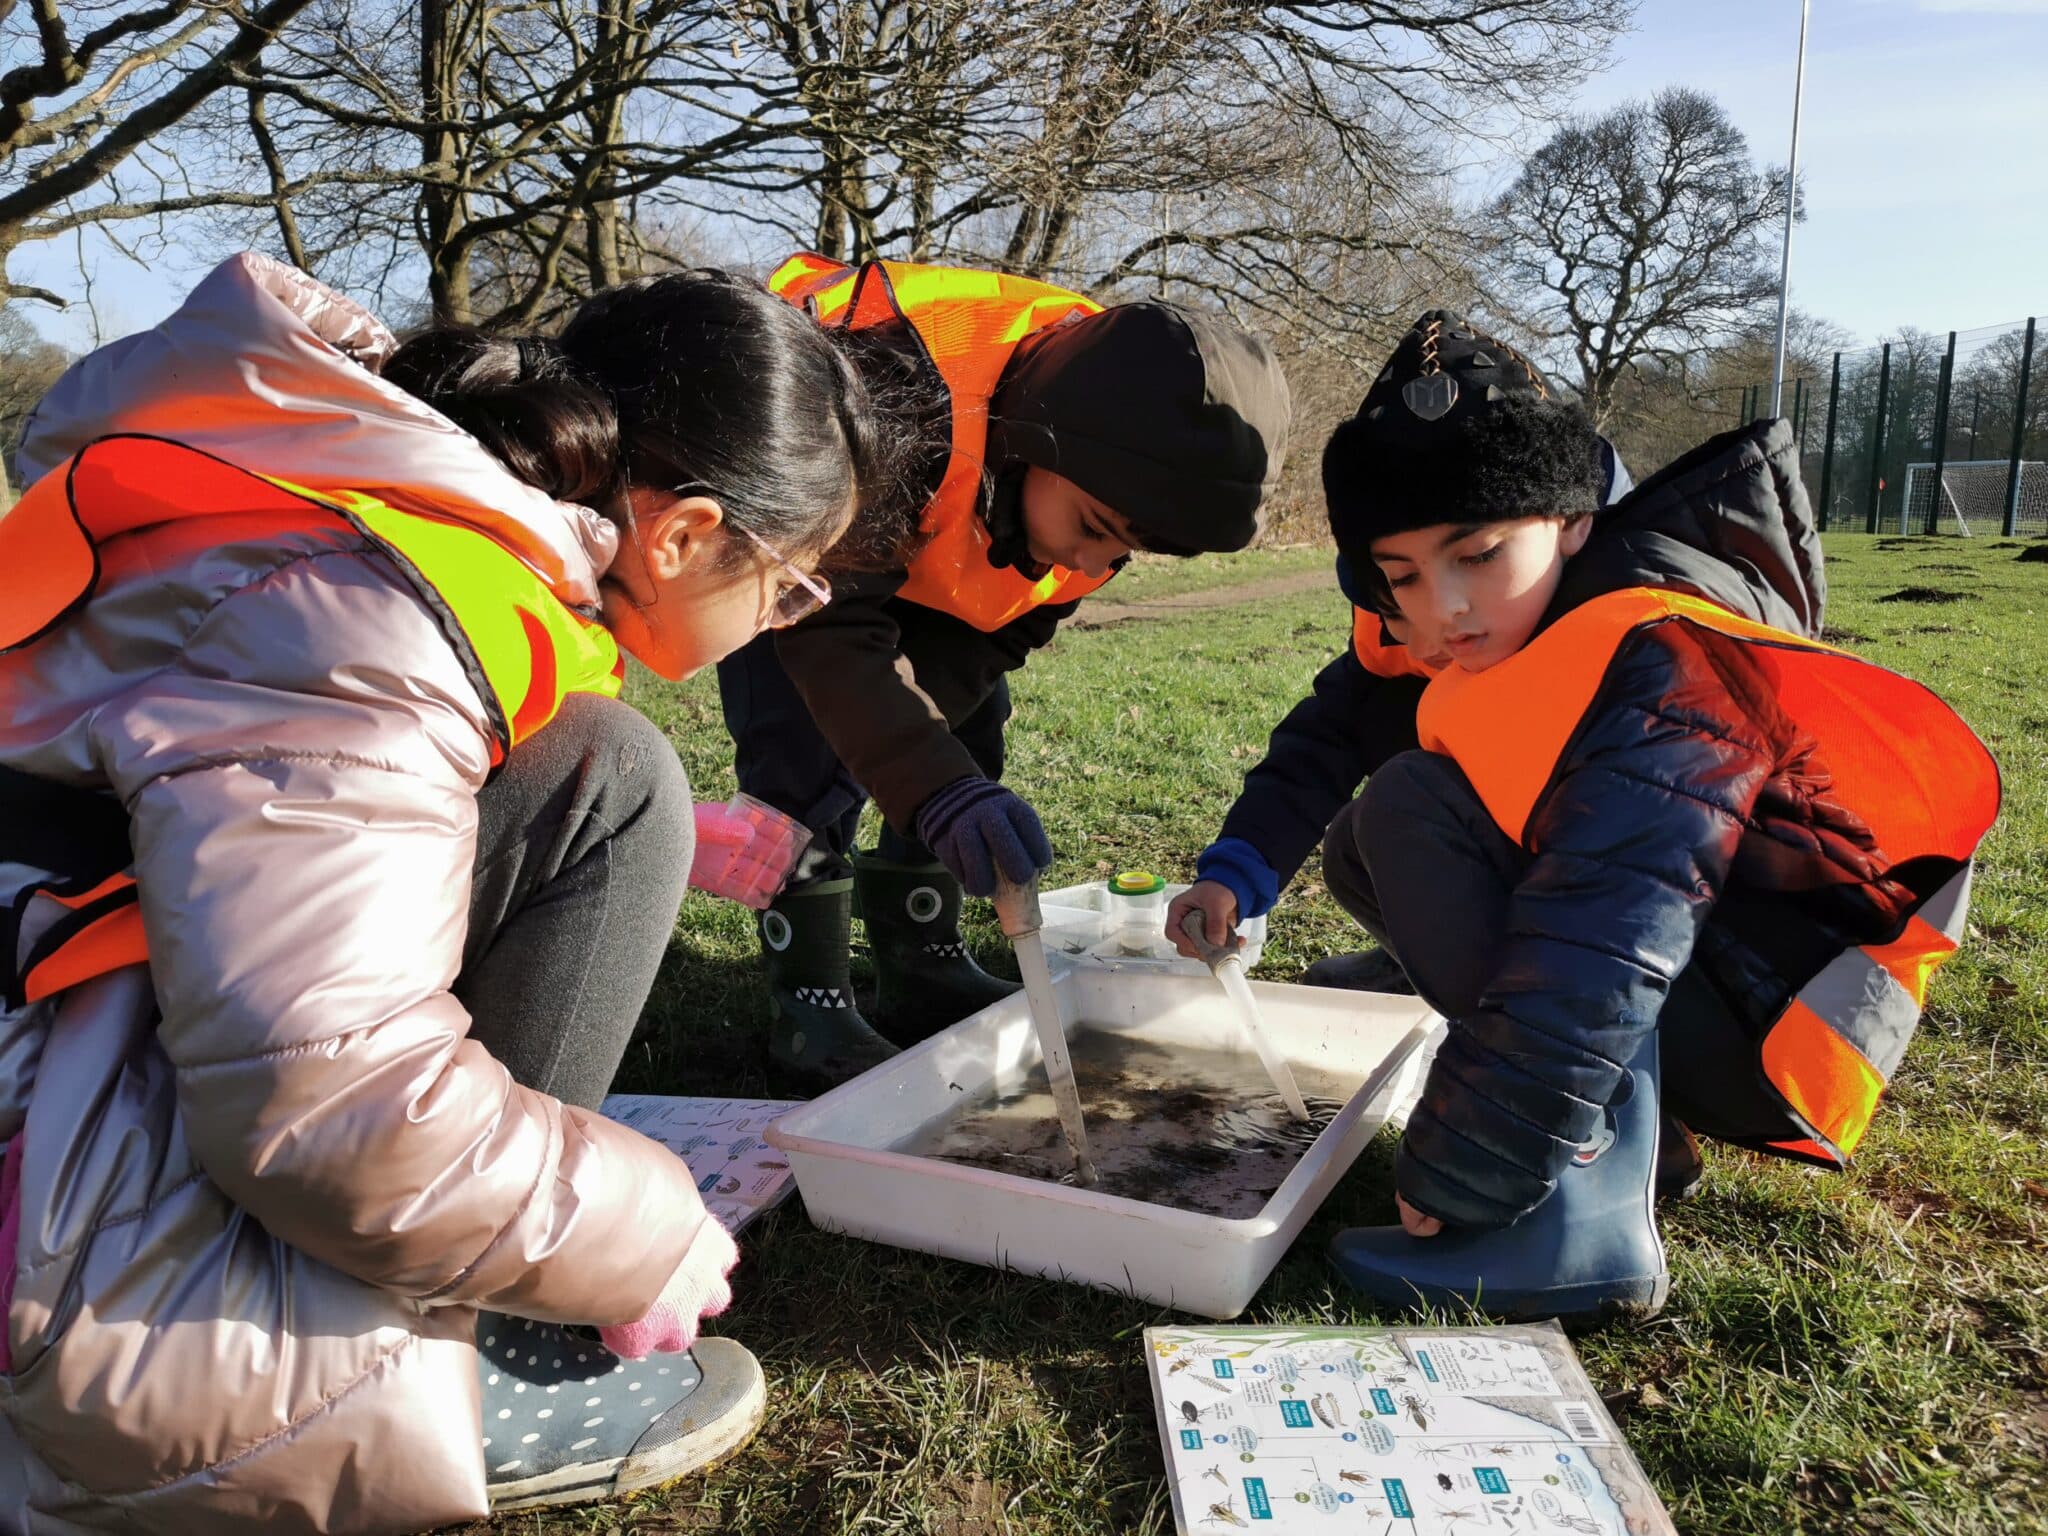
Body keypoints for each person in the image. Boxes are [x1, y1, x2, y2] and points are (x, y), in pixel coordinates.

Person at [0, 252, 883, 1533]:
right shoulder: (375, 615)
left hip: (60, 1032)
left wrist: (669, 834)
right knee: (611, 774)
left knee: (603, 775)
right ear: (689, 532)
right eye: (791, 582)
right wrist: (641, 1234)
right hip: (58, 1200)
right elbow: (322, 1100)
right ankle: (480, 1353)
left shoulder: (341, 524)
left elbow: (235, 826)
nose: (783, 617)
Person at [1175, 312, 1999, 1322]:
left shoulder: (1657, 655)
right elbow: (1331, 729)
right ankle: (1636, 1136)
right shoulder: (1494, 615)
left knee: (1406, 808)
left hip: (1771, 1017)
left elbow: (1607, 938)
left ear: (1570, 519)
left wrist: (1471, 1157)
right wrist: (1236, 870)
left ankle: (1583, 1213)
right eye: (1398, 577)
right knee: (1367, 840)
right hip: (1695, 979)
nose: (1440, 611)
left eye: (1475, 554)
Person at [706, 254, 1294, 1086]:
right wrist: (907, 771)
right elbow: (828, 633)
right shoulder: (893, 379)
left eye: (1125, 547)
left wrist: (930, 771)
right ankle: (811, 1006)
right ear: (1034, 438)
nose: (1097, 559)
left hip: (948, 548)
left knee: (966, 731)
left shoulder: (1121, 484)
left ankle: (921, 957)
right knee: (804, 750)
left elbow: (996, 638)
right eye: (1094, 527)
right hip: (803, 558)